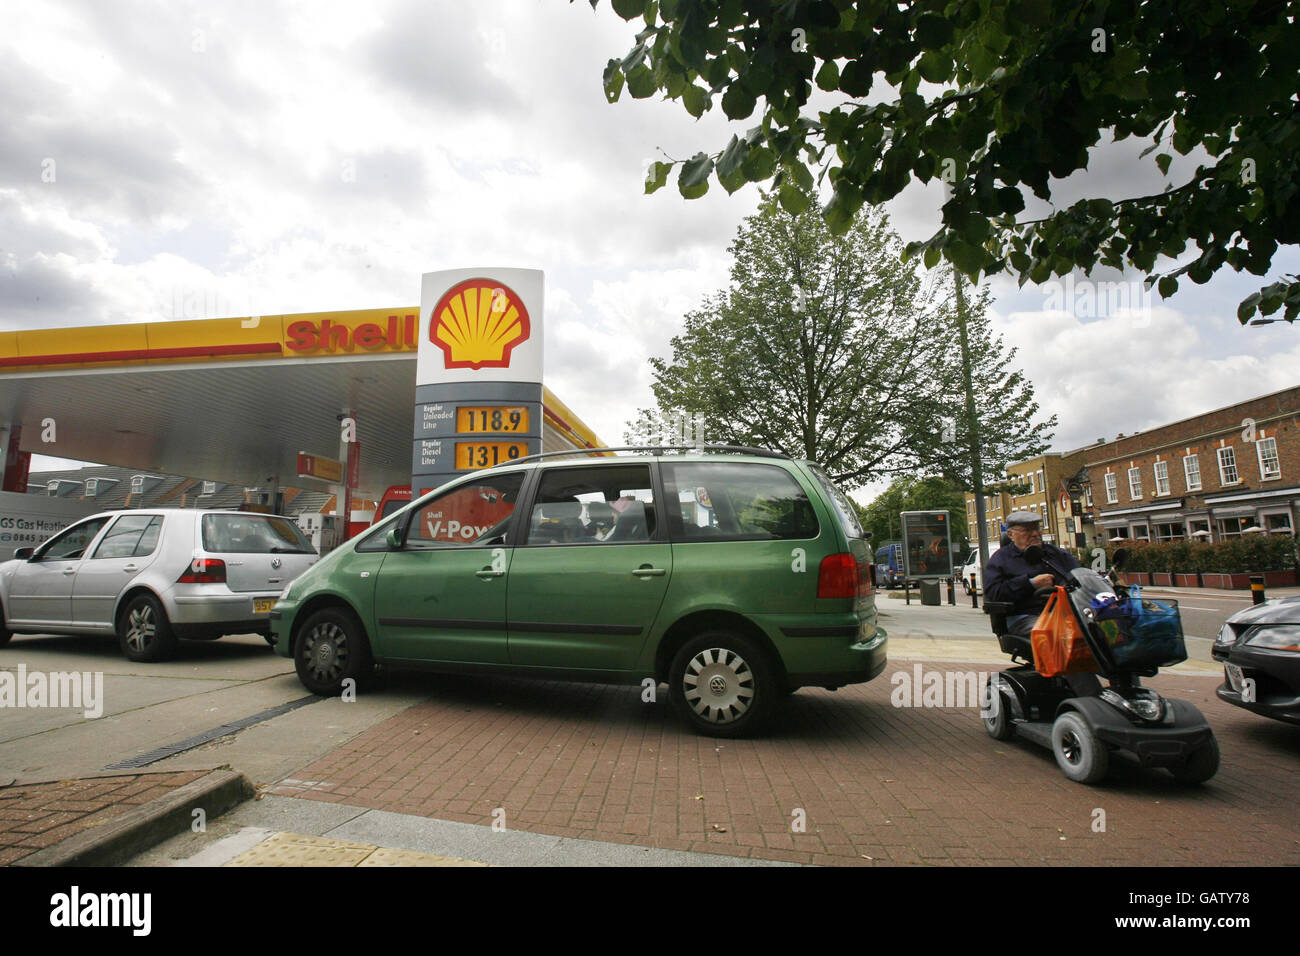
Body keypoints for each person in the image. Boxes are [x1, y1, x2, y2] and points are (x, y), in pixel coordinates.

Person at [984, 510, 1100, 695]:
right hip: (1026, 617)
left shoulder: (1055, 554)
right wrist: (1030, 584)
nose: (1035, 534)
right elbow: (993, 593)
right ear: (1011, 534)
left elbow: (1080, 576)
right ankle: (1091, 697)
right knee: (1062, 640)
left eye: (1037, 529)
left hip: (1066, 614)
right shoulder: (1001, 559)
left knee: (1111, 632)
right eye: (1027, 530)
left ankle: (1125, 693)